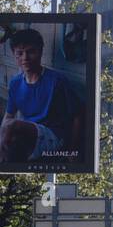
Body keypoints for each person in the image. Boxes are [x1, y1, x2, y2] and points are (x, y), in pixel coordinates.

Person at [1, 27, 83, 161]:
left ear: (40, 51)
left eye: (31, 51)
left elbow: (78, 115)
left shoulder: (57, 80)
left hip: (53, 136)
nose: (25, 58)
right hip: (28, 133)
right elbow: (8, 115)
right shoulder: (15, 83)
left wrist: (72, 151)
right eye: (20, 53)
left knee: (11, 126)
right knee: (10, 141)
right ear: (14, 54)